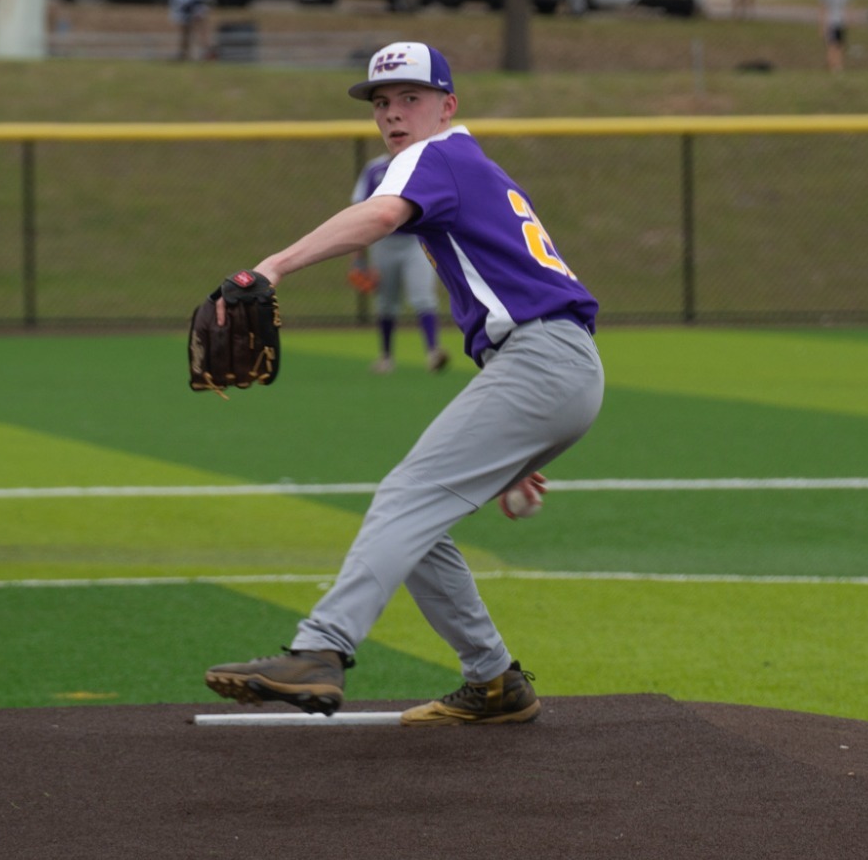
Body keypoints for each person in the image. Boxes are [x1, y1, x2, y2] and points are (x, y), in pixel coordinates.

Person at [204, 41, 604, 726]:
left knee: (404, 496)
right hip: (551, 366)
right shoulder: (467, 165)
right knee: (421, 521)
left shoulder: (434, 155)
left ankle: (320, 648)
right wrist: (514, 454)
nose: (392, 114)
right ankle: (493, 679)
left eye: (410, 98)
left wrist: (274, 264)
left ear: (448, 105)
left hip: (543, 361)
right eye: (382, 103)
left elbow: (381, 215)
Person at [349, 153, 451, 374]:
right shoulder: (375, 169)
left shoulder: (423, 164)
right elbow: (360, 208)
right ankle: (386, 357)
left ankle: (433, 352)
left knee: (423, 296)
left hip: (416, 240)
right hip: (383, 241)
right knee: (386, 300)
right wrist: (358, 257)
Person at [818, 0, 852, 73]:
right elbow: (823, 7)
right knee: (832, 44)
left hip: (840, 20)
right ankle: (833, 66)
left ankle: (837, 64)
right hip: (830, 20)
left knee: (840, 44)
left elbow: (847, 6)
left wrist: (848, 19)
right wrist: (822, 24)